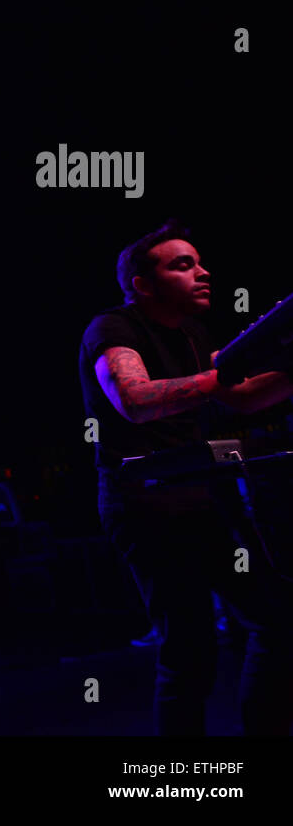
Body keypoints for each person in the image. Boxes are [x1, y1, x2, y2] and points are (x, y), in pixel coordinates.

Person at [78, 218, 293, 735]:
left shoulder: (193, 334)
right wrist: (219, 374)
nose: (204, 273)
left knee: (278, 623)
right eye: (184, 265)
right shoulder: (114, 329)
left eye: (199, 262)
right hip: (147, 504)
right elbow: (134, 399)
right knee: (189, 649)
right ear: (143, 284)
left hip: (207, 497)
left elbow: (239, 397)